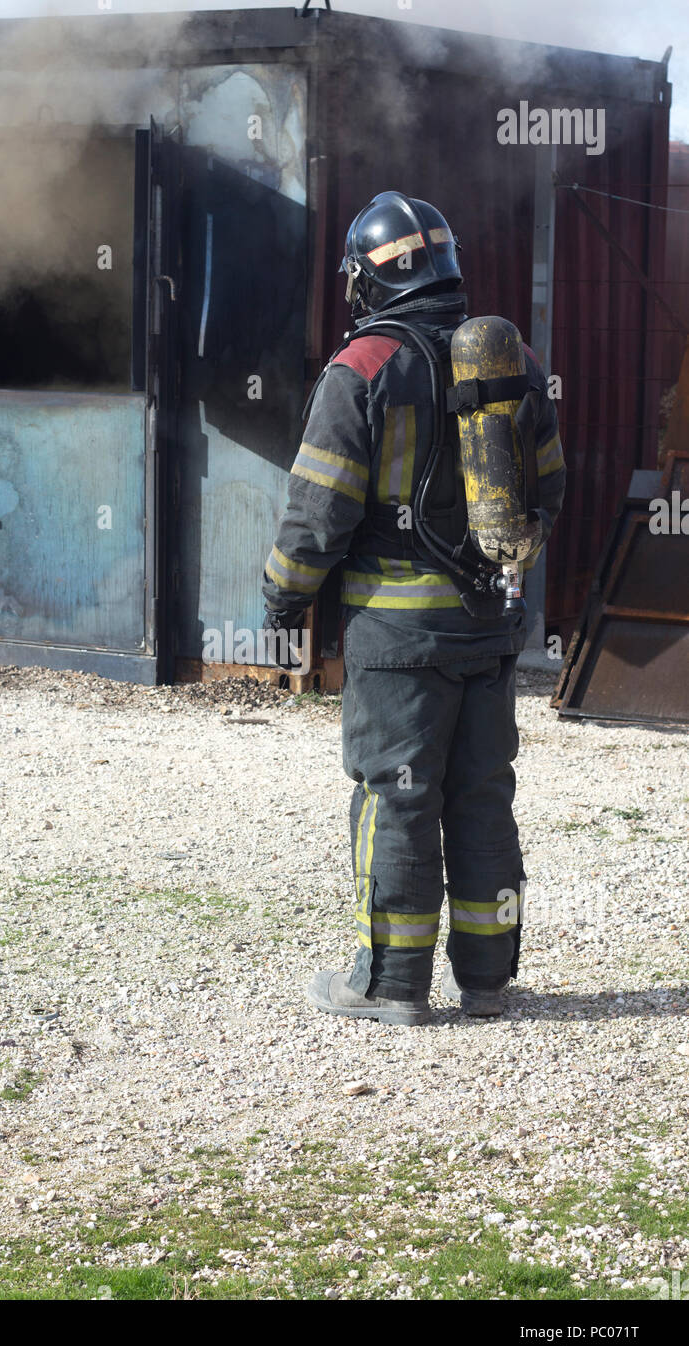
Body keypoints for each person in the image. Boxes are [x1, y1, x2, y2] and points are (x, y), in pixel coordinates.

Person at [262, 191, 566, 1025]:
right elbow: (550, 490)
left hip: (397, 639)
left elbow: (319, 508)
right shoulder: (515, 365)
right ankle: (488, 980)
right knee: (480, 795)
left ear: (370, 279)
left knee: (397, 797)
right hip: (489, 627)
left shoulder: (360, 369)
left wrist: (283, 595)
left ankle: (389, 985)